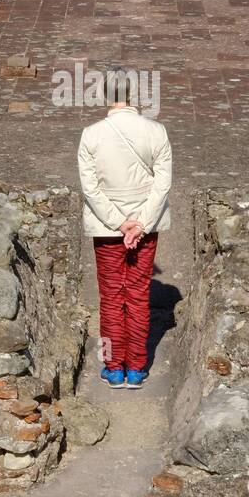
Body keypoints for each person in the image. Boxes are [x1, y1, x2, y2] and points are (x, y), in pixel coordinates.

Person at [77, 70, 172, 389]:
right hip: (145, 228)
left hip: (107, 228)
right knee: (138, 293)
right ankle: (137, 367)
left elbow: (91, 189)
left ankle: (113, 366)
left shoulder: (91, 135)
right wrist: (140, 223)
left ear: (105, 95)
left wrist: (119, 223)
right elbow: (162, 185)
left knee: (111, 295)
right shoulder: (156, 131)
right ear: (133, 95)